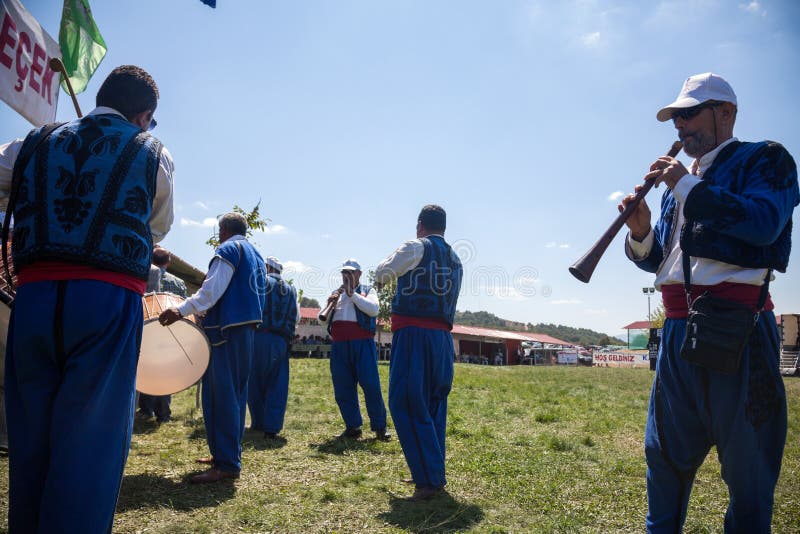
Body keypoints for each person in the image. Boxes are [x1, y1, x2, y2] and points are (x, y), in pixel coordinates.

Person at [620, 72, 798, 532]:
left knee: (749, 473)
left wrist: (684, 186)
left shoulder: (766, 159)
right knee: (663, 462)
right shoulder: (680, 183)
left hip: (737, 329)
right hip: (678, 333)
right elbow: (663, 258)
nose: (679, 126)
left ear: (726, 113)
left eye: (688, 114)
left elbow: (762, 224)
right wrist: (641, 231)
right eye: (675, 117)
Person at [0, 65, 174, 532]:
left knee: (31, 437)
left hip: (33, 298)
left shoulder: (30, 144)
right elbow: (156, 226)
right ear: (144, 115)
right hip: (107, 301)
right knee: (90, 444)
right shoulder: (154, 154)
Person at [159, 212, 266, 483]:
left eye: (219, 231)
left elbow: (211, 290)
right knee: (236, 396)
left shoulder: (229, 249)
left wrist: (181, 309)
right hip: (245, 331)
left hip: (225, 331)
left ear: (224, 230)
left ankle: (227, 464)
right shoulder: (256, 254)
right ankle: (226, 454)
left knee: (221, 397)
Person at [375, 205, 463, 501]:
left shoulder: (415, 246)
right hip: (442, 340)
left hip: (414, 335)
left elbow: (382, 273)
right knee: (434, 406)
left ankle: (428, 479)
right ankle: (431, 470)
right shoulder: (456, 258)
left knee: (408, 403)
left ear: (420, 225)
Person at [319, 259, 391, 441]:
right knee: (343, 387)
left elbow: (374, 310)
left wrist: (352, 295)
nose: (346, 275)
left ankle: (380, 427)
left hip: (362, 344)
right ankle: (352, 427)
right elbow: (322, 320)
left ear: (359, 274)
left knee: (371, 385)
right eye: (344, 272)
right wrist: (330, 302)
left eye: (350, 272)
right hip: (339, 346)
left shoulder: (368, 290)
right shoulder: (336, 293)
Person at [247, 256, 298, 439]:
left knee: (254, 381)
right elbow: (296, 318)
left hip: (259, 336)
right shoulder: (292, 290)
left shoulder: (260, 282)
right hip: (281, 340)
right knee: (277, 383)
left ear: (267, 267)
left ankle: (258, 422)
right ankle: (272, 428)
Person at [138, 247, 187, 423]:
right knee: (166, 368)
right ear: (169, 262)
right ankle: (163, 413)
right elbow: (183, 307)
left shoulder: (143, 275)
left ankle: (146, 409)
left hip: (147, 326)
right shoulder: (179, 283)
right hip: (170, 329)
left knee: (147, 366)